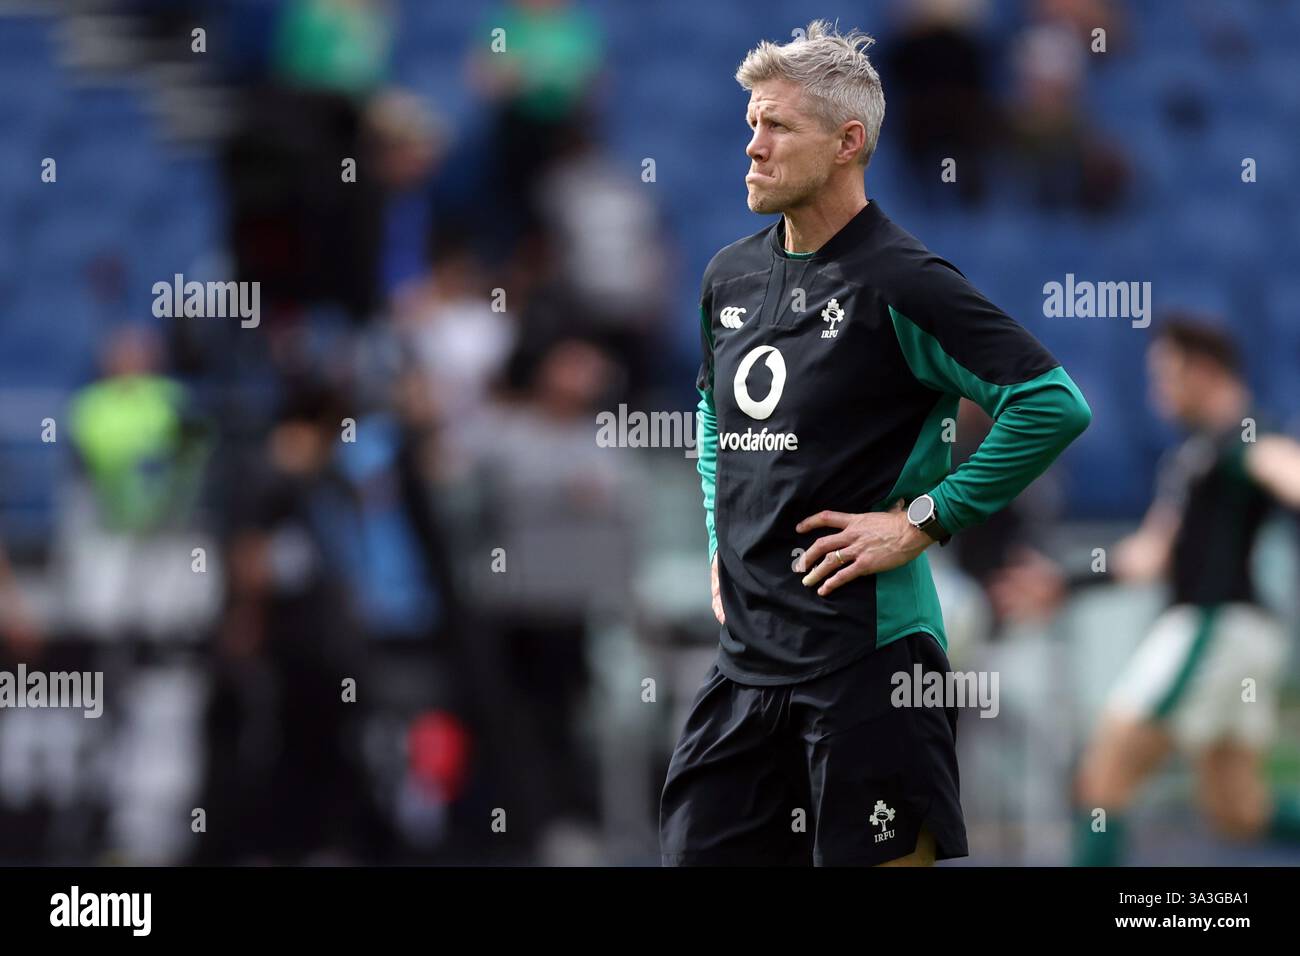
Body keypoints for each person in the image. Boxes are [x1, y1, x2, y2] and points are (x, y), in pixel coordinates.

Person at [658, 21, 1092, 867]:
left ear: (848, 141)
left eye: (776, 126)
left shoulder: (904, 280)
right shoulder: (729, 277)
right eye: (750, 123)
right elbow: (713, 414)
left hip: (872, 669)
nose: (752, 146)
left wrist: (923, 520)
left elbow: (1052, 402)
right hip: (744, 671)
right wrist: (720, 537)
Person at [1067, 318, 1300, 865]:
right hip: (1243, 636)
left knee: (1103, 776)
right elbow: (1150, 557)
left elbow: (1285, 467)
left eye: (1165, 376)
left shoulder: (1243, 434)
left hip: (1212, 626)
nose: (1156, 392)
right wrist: (1063, 583)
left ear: (1202, 371)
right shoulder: (1193, 456)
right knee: (1238, 810)